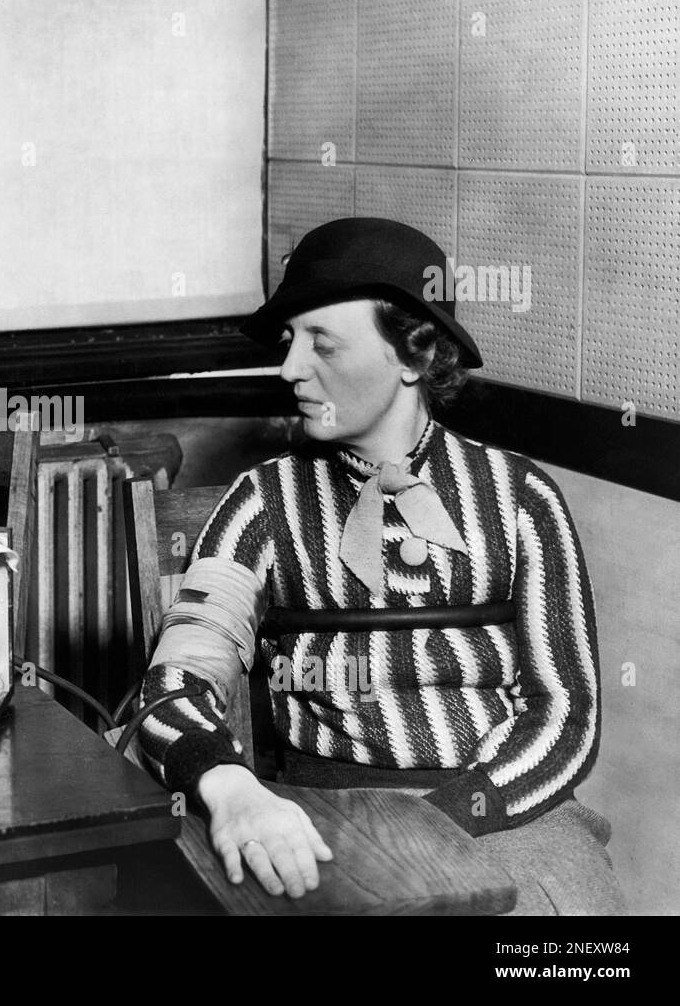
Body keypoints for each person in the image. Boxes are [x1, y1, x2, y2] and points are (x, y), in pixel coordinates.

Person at [138, 217, 625, 915]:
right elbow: (171, 687)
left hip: (506, 808)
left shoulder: (522, 500)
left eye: (322, 343)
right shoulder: (262, 504)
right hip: (327, 810)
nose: (290, 368)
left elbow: (566, 718)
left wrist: (446, 817)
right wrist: (230, 786)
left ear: (415, 355)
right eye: (290, 341)